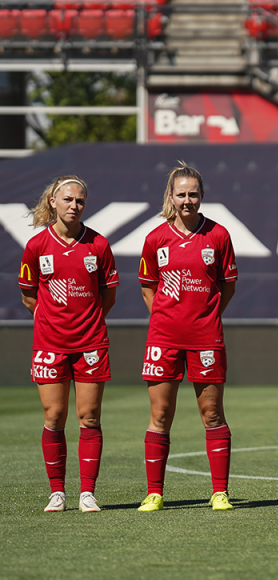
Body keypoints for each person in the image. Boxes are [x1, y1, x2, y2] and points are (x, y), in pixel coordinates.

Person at [136, 163, 238, 512]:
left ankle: (220, 492)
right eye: (181, 194)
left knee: (211, 413)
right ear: (171, 197)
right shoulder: (155, 239)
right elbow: (148, 287)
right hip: (163, 338)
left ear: (202, 196)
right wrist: (167, 318)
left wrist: (204, 316)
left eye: (193, 194)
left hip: (206, 338)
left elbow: (228, 286)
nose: (187, 200)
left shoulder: (219, 236)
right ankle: (155, 492)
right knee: (161, 413)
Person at [18, 176, 118, 513]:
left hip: (90, 342)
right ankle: (57, 492)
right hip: (50, 343)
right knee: (54, 415)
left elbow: (108, 296)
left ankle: (87, 492)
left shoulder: (98, 245)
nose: (74, 206)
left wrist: (85, 321)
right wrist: (53, 321)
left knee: (89, 416)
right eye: (68, 200)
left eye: (79, 201)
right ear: (53, 202)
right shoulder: (36, 246)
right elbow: (29, 295)